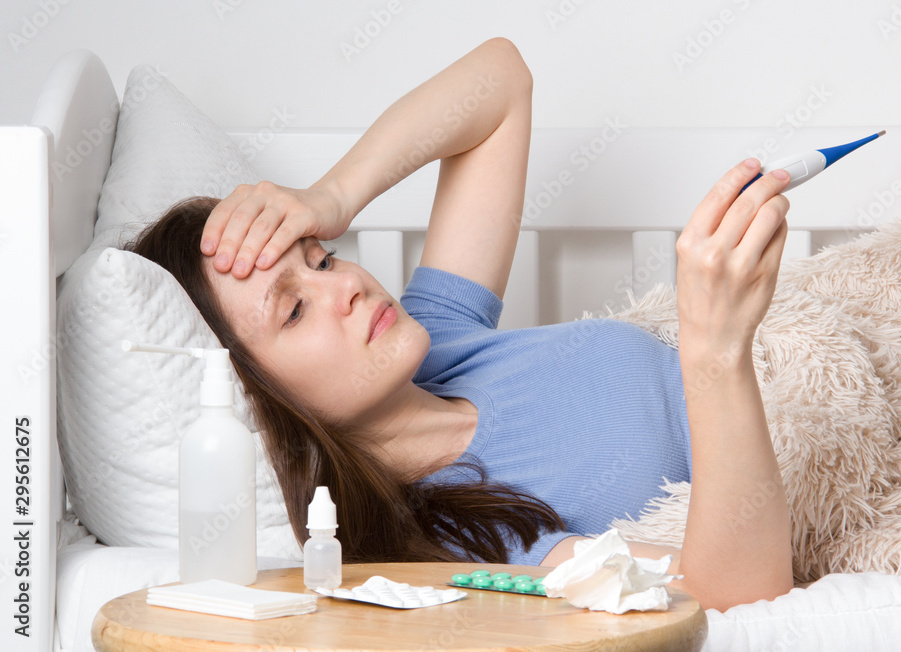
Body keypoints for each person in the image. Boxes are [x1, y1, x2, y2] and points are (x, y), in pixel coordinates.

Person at [129, 37, 793, 611]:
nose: (348, 284)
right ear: (255, 401)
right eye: (295, 310)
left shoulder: (437, 335)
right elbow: (732, 594)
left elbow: (500, 82)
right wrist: (714, 347)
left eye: (323, 257)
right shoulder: (455, 536)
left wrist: (330, 196)